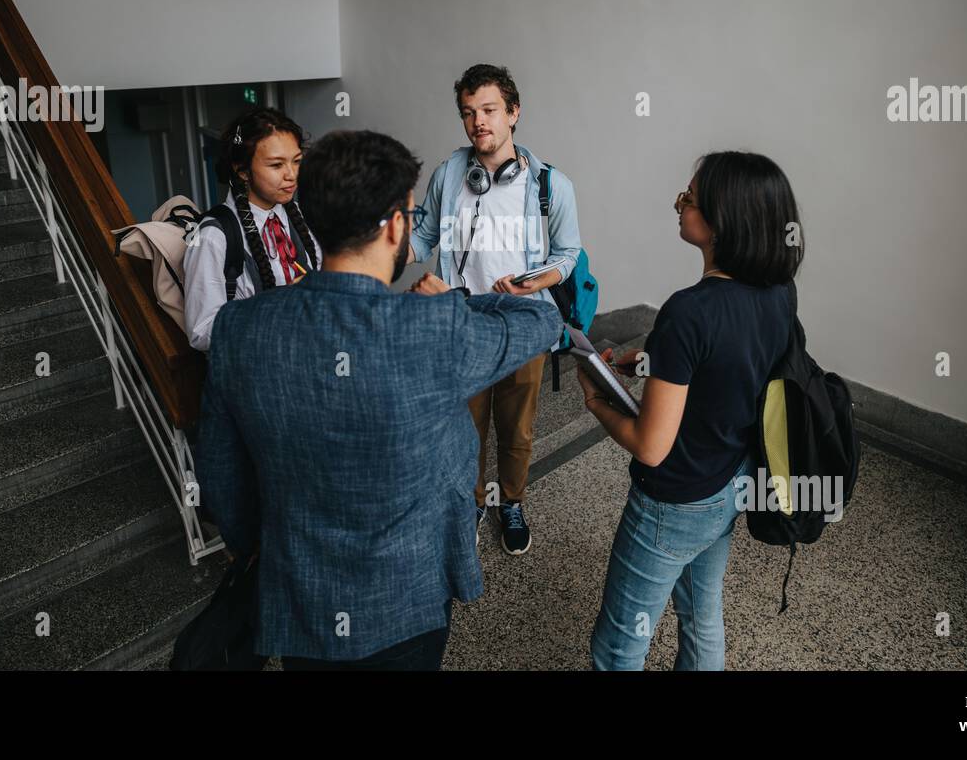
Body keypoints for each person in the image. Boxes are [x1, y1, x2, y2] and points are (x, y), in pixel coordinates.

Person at [195, 129, 563, 670]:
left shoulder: (239, 329)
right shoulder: (434, 330)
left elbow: (221, 472)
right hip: (409, 596)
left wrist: (259, 546)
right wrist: (458, 304)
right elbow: (541, 317)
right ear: (395, 227)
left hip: (303, 598)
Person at [581, 151, 801, 670]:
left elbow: (651, 446)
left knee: (617, 646)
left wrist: (596, 403)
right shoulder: (778, 292)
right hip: (732, 479)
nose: (678, 205)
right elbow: (726, 362)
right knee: (701, 614)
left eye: (690, 198)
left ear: (722, 219)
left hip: (673, 501)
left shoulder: (690, 310)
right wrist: (648, 359)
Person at [408, 64, 582, 555]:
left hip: (521, 327)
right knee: (462, 432)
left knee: (517, 429)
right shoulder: (448, 175)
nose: (477, 122)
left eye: (488, 110)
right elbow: (422, 238)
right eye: (468, 113)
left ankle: (511, 501)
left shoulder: (551, 186)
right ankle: (469, 503)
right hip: (460, 324)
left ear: (513, 112)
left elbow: (567, 257)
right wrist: (374, 250)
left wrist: (533, 283)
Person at [182, 108, 321, 353]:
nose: (291, 175)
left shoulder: (301, 215)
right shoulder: (212, 237)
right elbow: (202, 332)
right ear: (242, 170)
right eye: (276, 165)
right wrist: (281, 304)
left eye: (297, 161)